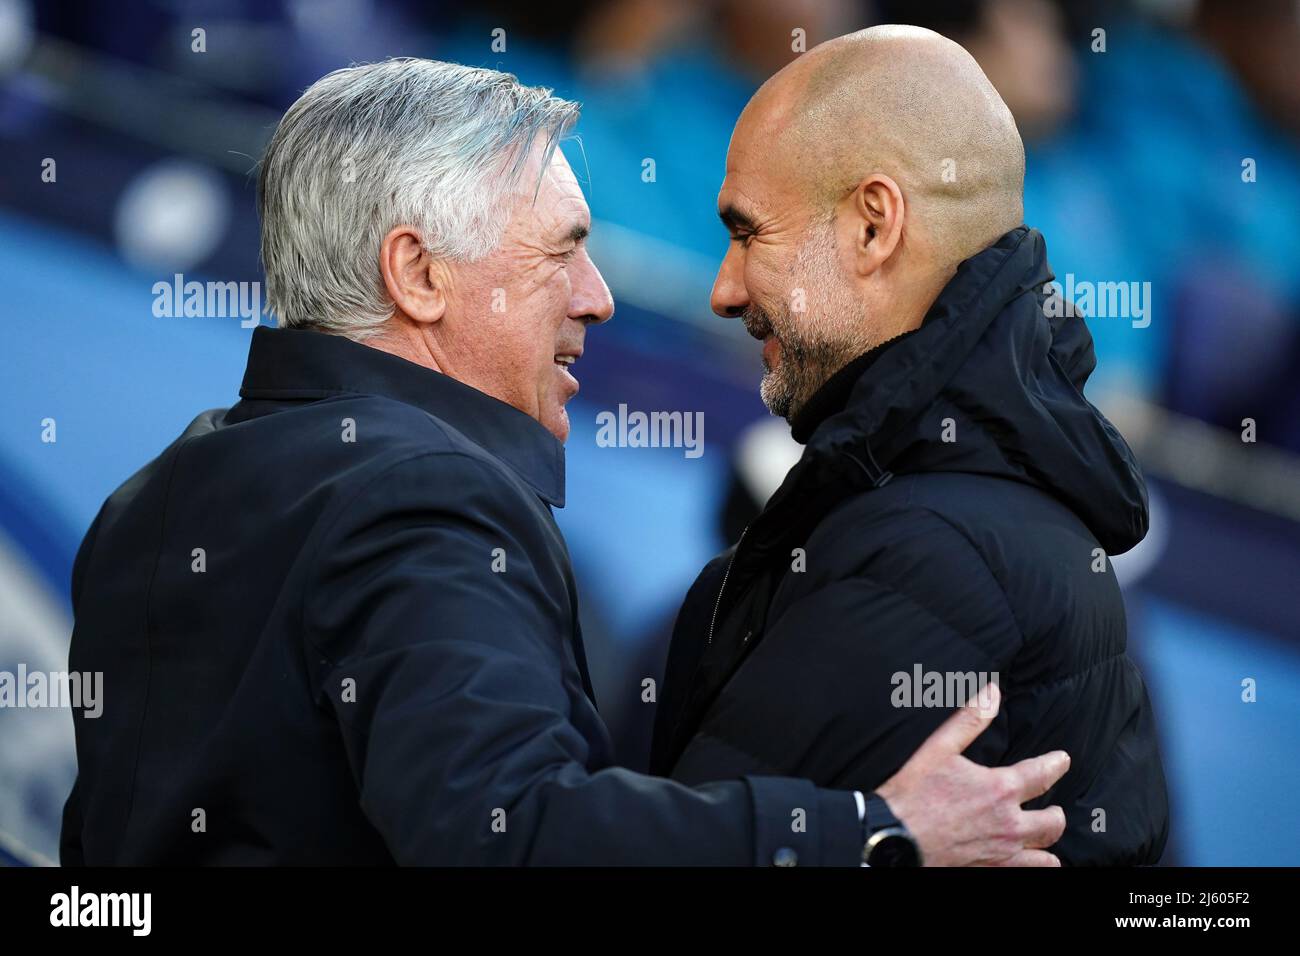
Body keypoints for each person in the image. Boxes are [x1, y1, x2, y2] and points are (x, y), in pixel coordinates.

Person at [61, 57, 1068, 866]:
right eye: (562, 251)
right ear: (417, 274)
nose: (597, 296)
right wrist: (868, 830)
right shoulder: (422, 493)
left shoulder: (157, 491)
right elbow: (509, 827)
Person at [650, 26, 1169, 865]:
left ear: (873, 227)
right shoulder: (964, 511)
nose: (723, 288)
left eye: (748, 234)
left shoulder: (928, 554)